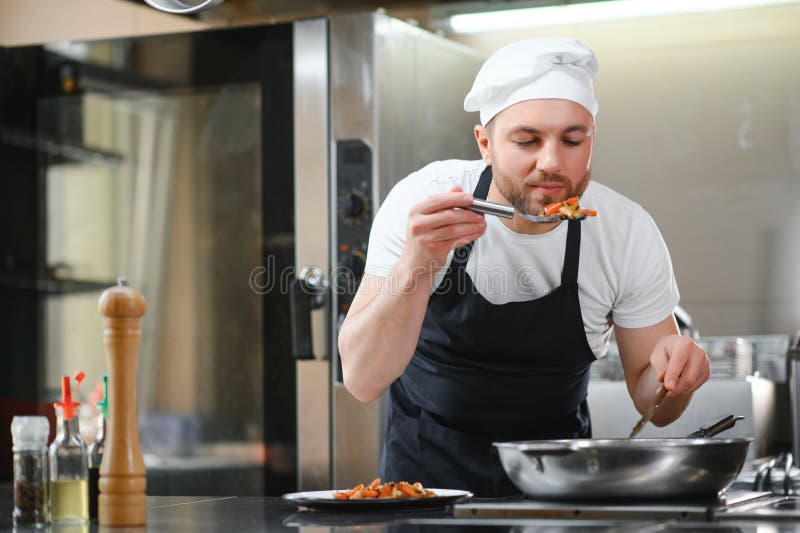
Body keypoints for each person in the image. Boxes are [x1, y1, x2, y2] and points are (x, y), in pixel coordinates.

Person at [336, 37, 710, 497]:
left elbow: (656, 405)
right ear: (485, 144)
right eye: (527, 140)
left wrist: (676, 377)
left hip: (559, 495)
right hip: (424, 493)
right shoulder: (424, 202)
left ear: (592, 139)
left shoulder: (624, 232)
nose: (551, 162)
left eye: (572, 140)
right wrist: (418, 262)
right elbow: (361, 380)